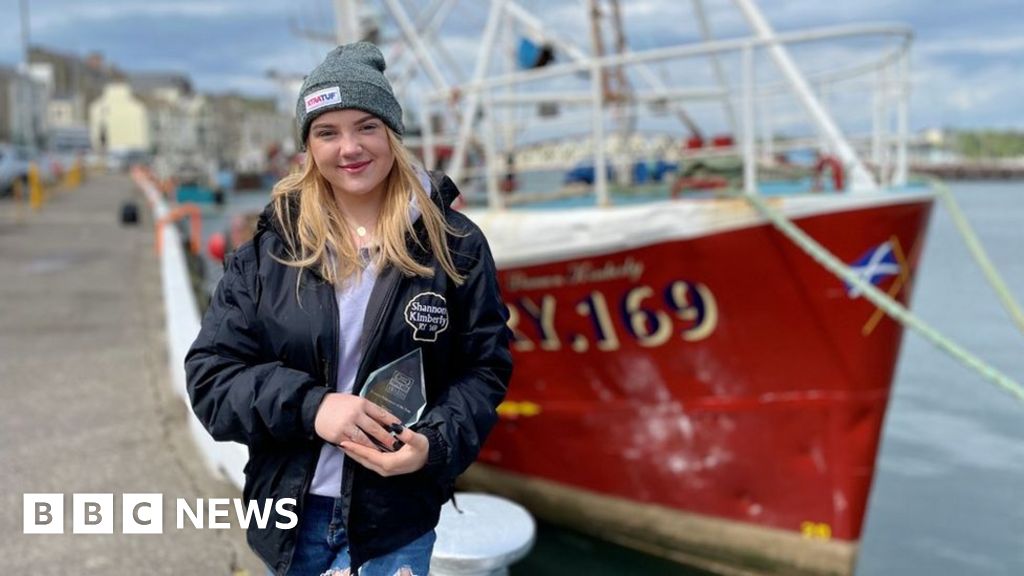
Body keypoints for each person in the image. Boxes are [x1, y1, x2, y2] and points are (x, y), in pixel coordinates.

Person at [185, 42, 512, 576]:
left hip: (395, 518)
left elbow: (484, 369)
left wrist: (432, 445)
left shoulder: (455, 245)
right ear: (308, 146)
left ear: (392, 133)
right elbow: (211, 378)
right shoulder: (270, 251)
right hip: (293, 519)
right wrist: (315, 407)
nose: (350, 147)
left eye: (366, 126)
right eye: (327, 132)